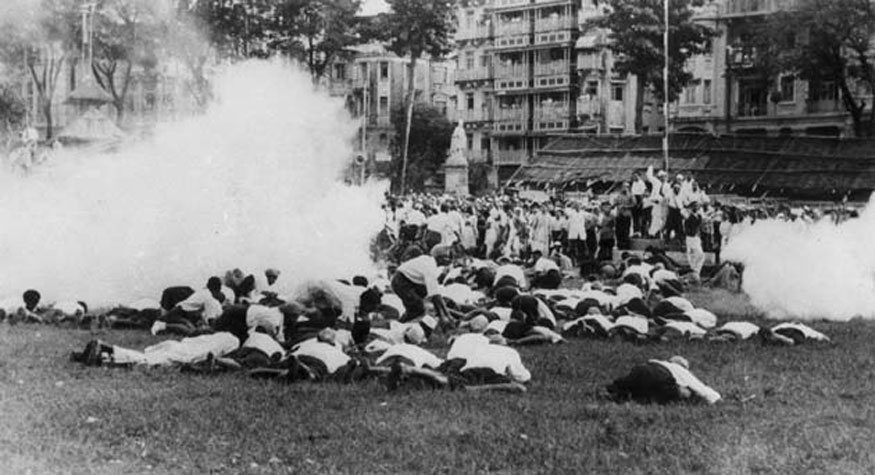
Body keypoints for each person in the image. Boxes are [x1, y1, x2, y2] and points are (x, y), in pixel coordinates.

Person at [606, 355, 721, 405]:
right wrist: (715, 398)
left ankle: (617, 391)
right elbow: (700, 387)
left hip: (642, 369)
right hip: (660, 377)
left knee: (627, 384)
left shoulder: (659, 362)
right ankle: (644, 398)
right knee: (682, 392)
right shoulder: (680, 370)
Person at [390, 246, 451, 327]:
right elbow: (435, 296)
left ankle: (404, 322)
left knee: (423, 296)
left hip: (407, 280)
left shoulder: (428, 260)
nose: (449, 260)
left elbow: (434, 293)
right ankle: (399, 325)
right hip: (401, 281)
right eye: (446, 257)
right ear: (439, 258)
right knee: (418, 308)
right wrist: (444, 315)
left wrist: (445, 313)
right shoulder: (430, 266)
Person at [682, 201, 706, 283]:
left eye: (697, 206)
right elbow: (687, 231)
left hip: (696, 238)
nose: (696, 208)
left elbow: (700, 226)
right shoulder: (688, 219)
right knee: (693, 255)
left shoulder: (699, 216)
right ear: (692, 208)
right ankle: (694, 273)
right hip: (691, 238)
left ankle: (696, 272)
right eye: (694, 206)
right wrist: (693, 233)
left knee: (700, 255)